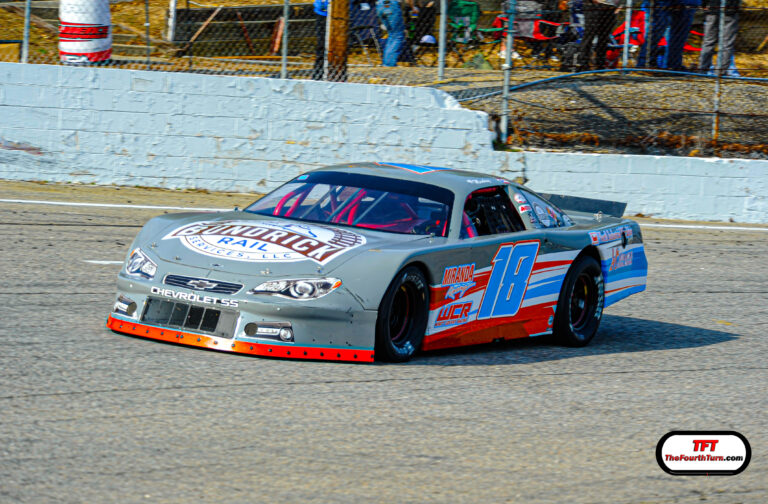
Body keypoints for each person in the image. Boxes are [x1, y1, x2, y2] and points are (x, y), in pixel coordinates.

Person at [699, 0, 740, 75]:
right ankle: (720, 72)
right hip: (729, 10)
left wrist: (704, 4)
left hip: (713, 9)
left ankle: (703, 70)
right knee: (727, 43)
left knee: (708, 42)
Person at [575, 0, 620, 70]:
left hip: (611, 8)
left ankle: (600, 64)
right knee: (589, 35)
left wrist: (619, 7)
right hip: (594, 6)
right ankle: (582, 63)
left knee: (604, 38)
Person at [636, 0, 672, 68]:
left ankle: (661, 63)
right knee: (653, 37)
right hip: (655, 10)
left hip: (654, 10)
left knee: (654, 38)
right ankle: (645, 62)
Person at [666, 0, 700, 70]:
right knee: (677, 35)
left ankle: (675, 64)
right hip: (683, 4)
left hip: (687, 4)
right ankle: (673, 65)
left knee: (680, 37)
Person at [377, 0, 409, 66]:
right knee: (397, 35)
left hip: (380, 5)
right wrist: (413, 7)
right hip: (392, 5)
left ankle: (386, 62)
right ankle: (389, 63)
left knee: (391, 35)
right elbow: (408, 1)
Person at [312, 0, 329, 80]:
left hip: (337, 17)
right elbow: (320, 6)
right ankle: (318, 74)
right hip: (322, 16)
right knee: (321, 45)